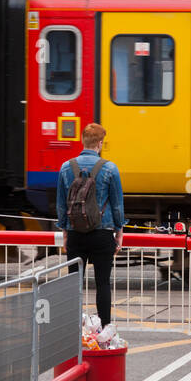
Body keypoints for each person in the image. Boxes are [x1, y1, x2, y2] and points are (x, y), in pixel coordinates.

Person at [57, 124, 125, 327]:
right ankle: (104, 329)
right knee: (103, 283)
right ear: (100, 143)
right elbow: (117, 205)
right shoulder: (110, 168)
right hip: (102, 234)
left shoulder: (66, 167)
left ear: (82, 141)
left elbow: (61, 205)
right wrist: (119, 233)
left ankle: (73, 329)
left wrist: (65, 232)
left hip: (76, 234)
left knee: (74, 285)